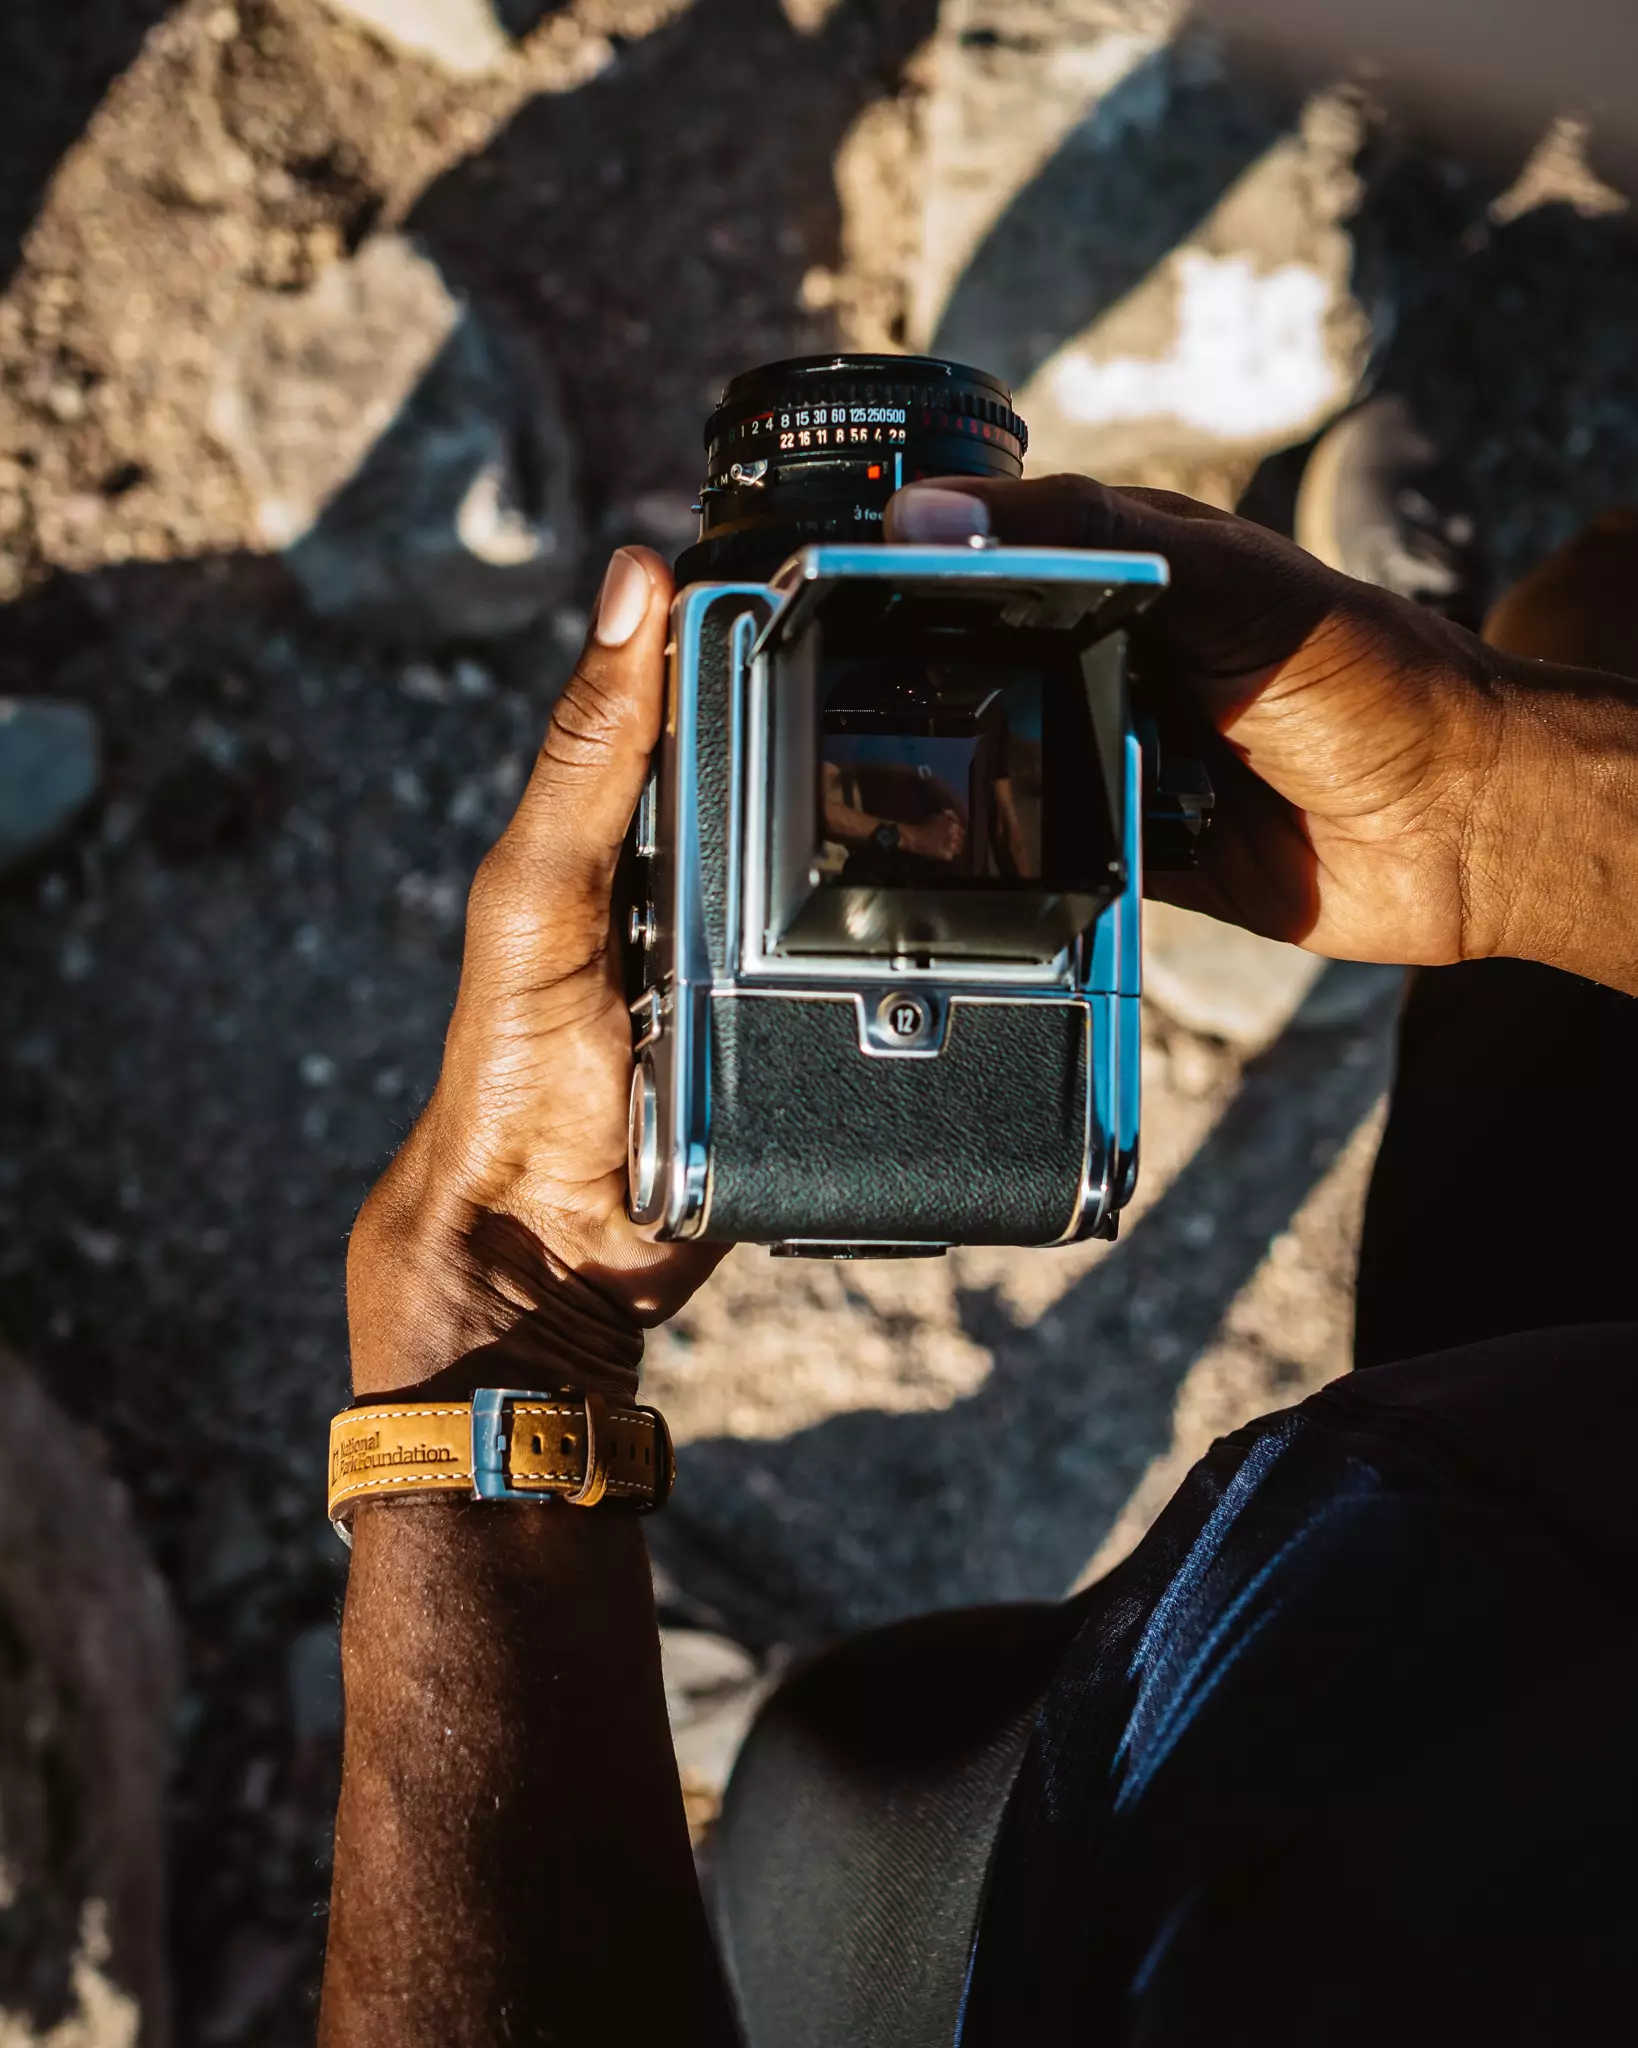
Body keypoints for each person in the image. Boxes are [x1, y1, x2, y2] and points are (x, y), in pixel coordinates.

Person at [317, 457, 1638, 2048]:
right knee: (1602, 617)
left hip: (1192, 1798)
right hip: (1528, 1465)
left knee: (833, 1781)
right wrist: (1491, 806)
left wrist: (490, 1347)